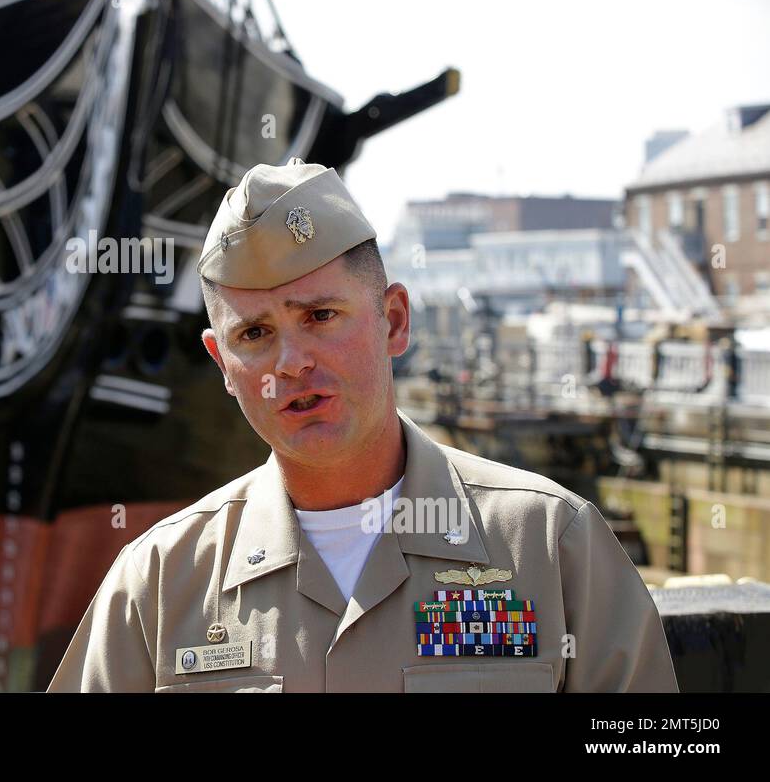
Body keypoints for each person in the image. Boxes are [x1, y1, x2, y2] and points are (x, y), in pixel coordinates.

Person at [47, 158, 678, 692]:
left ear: (394, 320)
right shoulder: (159, 584)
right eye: (256, 333)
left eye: (321, 315)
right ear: (222, 362)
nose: (292, 363)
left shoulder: (548, 547)